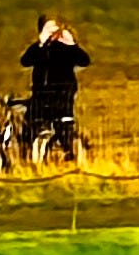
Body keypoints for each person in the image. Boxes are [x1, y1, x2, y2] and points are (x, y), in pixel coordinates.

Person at [20, 14, 91, 163]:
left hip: (63, 93)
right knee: (33, 122)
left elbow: (84, 61)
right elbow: (25, 61)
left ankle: (69, 152)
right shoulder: (40, 49)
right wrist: (41, 42)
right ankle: (30, 154)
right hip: (41, 93)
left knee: (63, 125)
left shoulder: (66, 48)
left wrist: (72, 45)